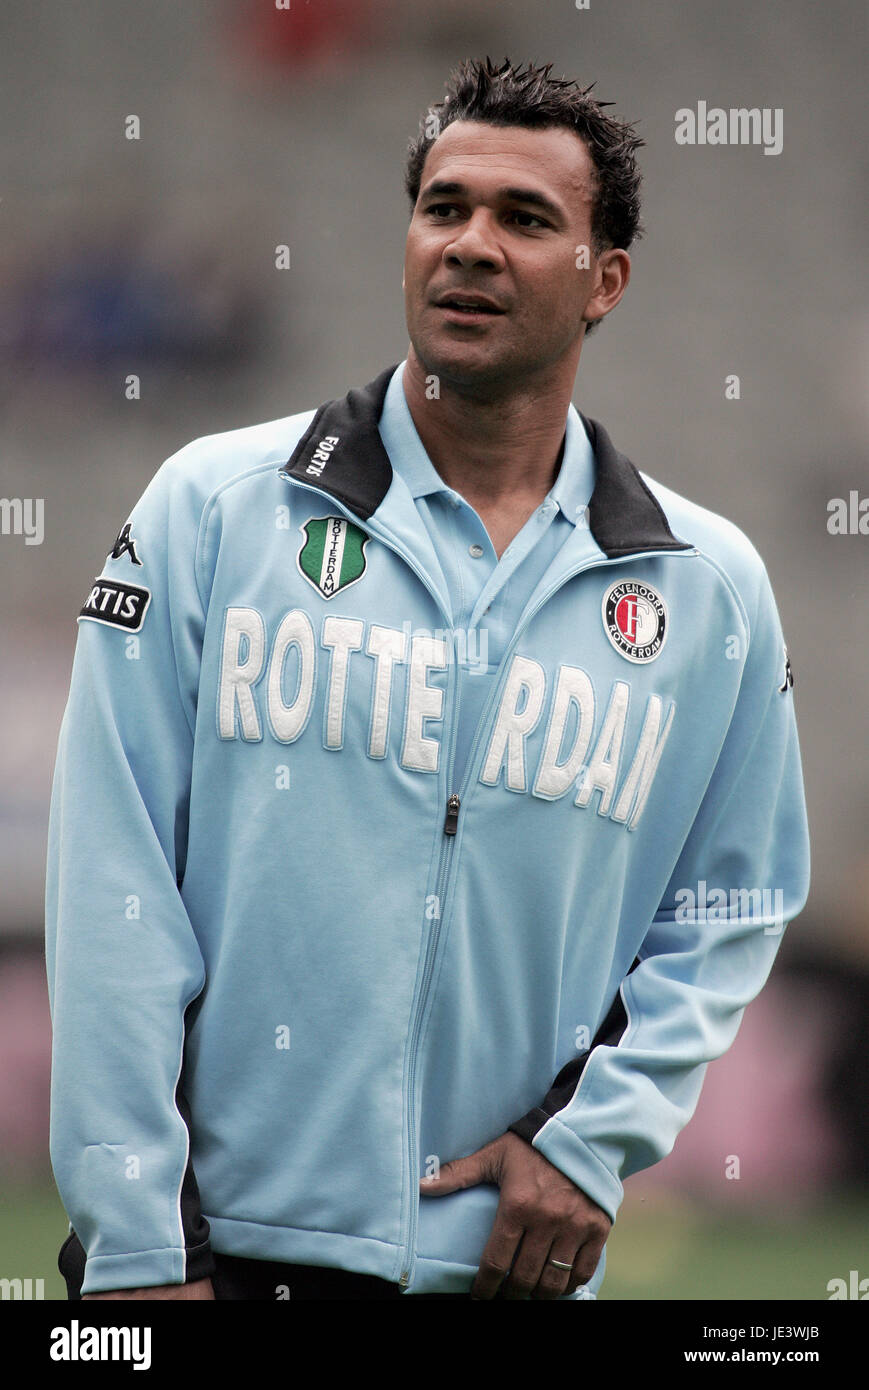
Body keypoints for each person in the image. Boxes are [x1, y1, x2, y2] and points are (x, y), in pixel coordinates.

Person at [45, 57, 810, 1302]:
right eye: (442, 208)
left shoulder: (704, 588)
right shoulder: (215, 508)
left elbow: (732, 905)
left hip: (504, 1275)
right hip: (211, 1261)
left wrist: (589, 1146)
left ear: (603, 279)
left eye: (522, 218)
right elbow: (112, 880)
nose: (468, 244)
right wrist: (138, 1237)